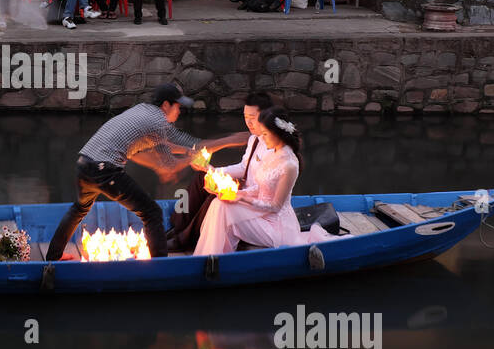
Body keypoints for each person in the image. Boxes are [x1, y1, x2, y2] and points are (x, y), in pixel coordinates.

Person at [45, 83, 249, 262]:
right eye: (177, 106)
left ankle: (53, 257)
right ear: (166, 105)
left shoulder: (142, 111)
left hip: (84, 164)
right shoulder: (159, 122)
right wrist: (195, 157)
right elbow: (169, 164)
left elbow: (168, 145)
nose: (179, 112)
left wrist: (190, 152)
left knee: (79, 209)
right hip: (104, 170)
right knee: (152, 213)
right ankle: (161, 267)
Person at [194, 107, 333, 261]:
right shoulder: (271, 152)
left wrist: (240, 198)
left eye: (265, 134)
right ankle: (213, 257)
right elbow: (260, 188)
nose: (262, 138)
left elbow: (275, 207)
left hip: (275, 224)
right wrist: (231, 190)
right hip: (258, 210)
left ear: (278, 134)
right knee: (219, 203)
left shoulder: (289, 165)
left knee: (224, 209)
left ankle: (216, 260)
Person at [167, 93, 273, 253]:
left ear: (266, 116)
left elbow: (266, 189)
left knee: (216, 195)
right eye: (245, 116)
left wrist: (231, 189)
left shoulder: (275, 145)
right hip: (244, 189)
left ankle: (185, 239)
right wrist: (212, 170)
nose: (248, 122)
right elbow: (244, 167)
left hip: (255, 199)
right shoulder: (254, 139)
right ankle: (178, 227)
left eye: (253, 117)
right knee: (203, 178)